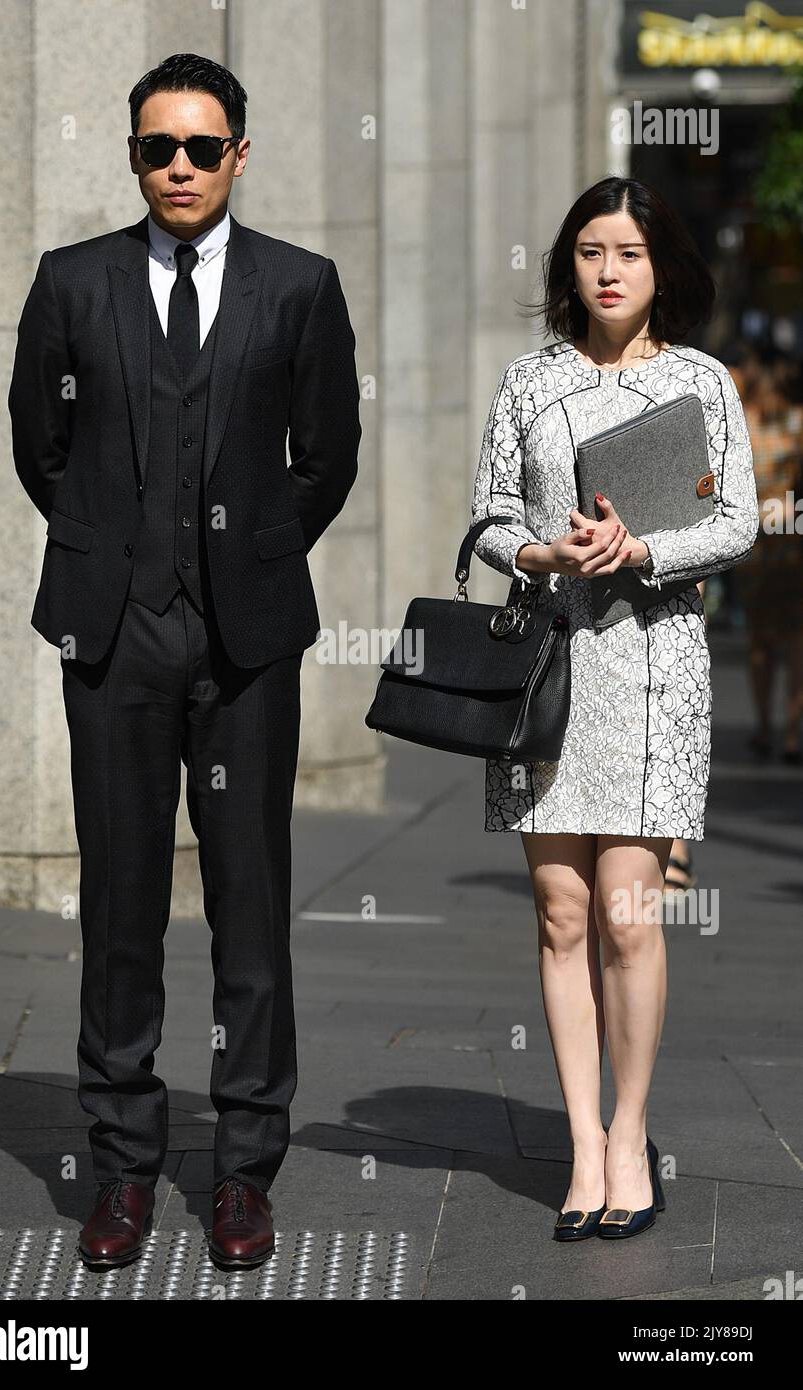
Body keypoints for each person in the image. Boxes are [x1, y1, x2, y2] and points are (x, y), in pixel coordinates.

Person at [8, 52, 361, 1272]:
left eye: (201, 148)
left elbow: (327, 455)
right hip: (114, 637)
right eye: (156, 148)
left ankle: (244, 1171)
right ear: (132, 156)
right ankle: (120, 1167)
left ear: (239, 156)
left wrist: (254, 559)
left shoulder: (299, 287)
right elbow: (39, 448)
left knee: (249, 906)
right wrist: (116, 546)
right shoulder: (71, 283)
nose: (178, 168)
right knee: (118, 908)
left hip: (247, 644)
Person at [471, 176, 759, 1241]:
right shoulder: (527, 383)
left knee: (629, 915)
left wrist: (640, 548)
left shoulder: (701, 381)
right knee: (558, 913)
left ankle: (629, 1131)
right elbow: (488, 518)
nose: (606, 269)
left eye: (627, 252)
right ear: (565, 267)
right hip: (547, 671)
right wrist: (541, 549)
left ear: (660, 268)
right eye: (589, 250)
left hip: (652, 666)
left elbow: (737, 523)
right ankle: (581, 1142)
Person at [732, 346, 803, 764]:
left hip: (774, 543)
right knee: (784, 639)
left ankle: (775, 728)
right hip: (775, 540)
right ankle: (780, 730)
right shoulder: (789, 425)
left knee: (773, 640)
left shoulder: (747, 424)